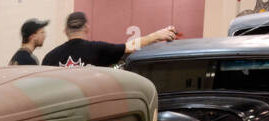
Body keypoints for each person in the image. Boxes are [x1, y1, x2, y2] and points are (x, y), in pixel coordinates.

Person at [42, 11, 176, 67]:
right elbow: (130, 46)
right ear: (87, 28)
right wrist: (157, 35)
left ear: (65, 31)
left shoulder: (49, 58)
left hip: (58, 120)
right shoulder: (97, 49)